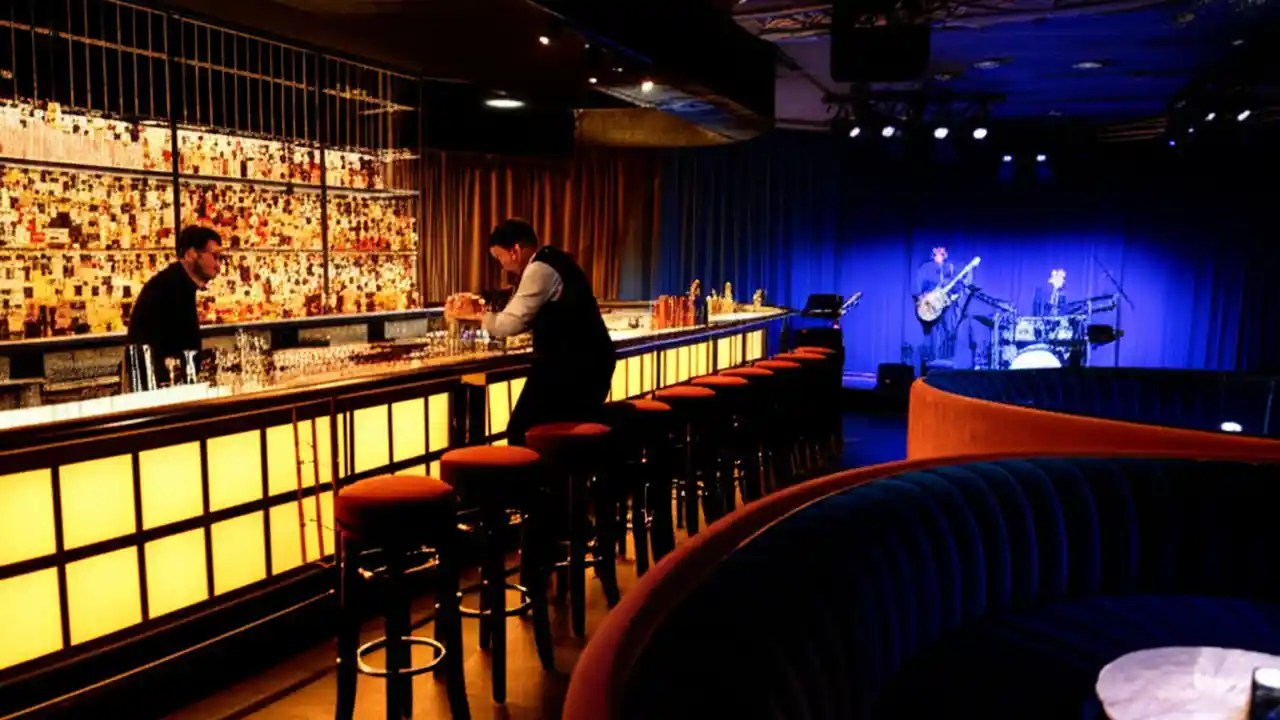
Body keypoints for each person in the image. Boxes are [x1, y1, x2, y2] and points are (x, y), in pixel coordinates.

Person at [445, 218, 616, 445]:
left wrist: (474, 315)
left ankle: (541, 479)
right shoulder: (554, 261)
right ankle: (561, 478)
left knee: (520, 431)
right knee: (530, 428)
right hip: (589, 365)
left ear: (514, 250)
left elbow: (510, 324)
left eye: (499, 258)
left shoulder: (540, 268)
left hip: (575, 369)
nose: (502, 265)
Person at [127, 225, 223, 381]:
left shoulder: (174, 283)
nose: (218, 266)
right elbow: (179, 350)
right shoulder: (170, 287)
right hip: (162, 389)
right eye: (214, 256)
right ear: (191, 254)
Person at [913, 246, 967, 373]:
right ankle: (930, 365)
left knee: (949, 333)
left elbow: (958, 287)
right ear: (933, 252)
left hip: (946, 306)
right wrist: (925, 299)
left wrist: (955, 294)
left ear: (946, 253)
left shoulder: (950, 268)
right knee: (932, 336)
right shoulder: (926, 268)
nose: (940, 253)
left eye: (943, 251)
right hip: (930, 307)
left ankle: (947, 365)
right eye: (937, 250)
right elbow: (917, 289)